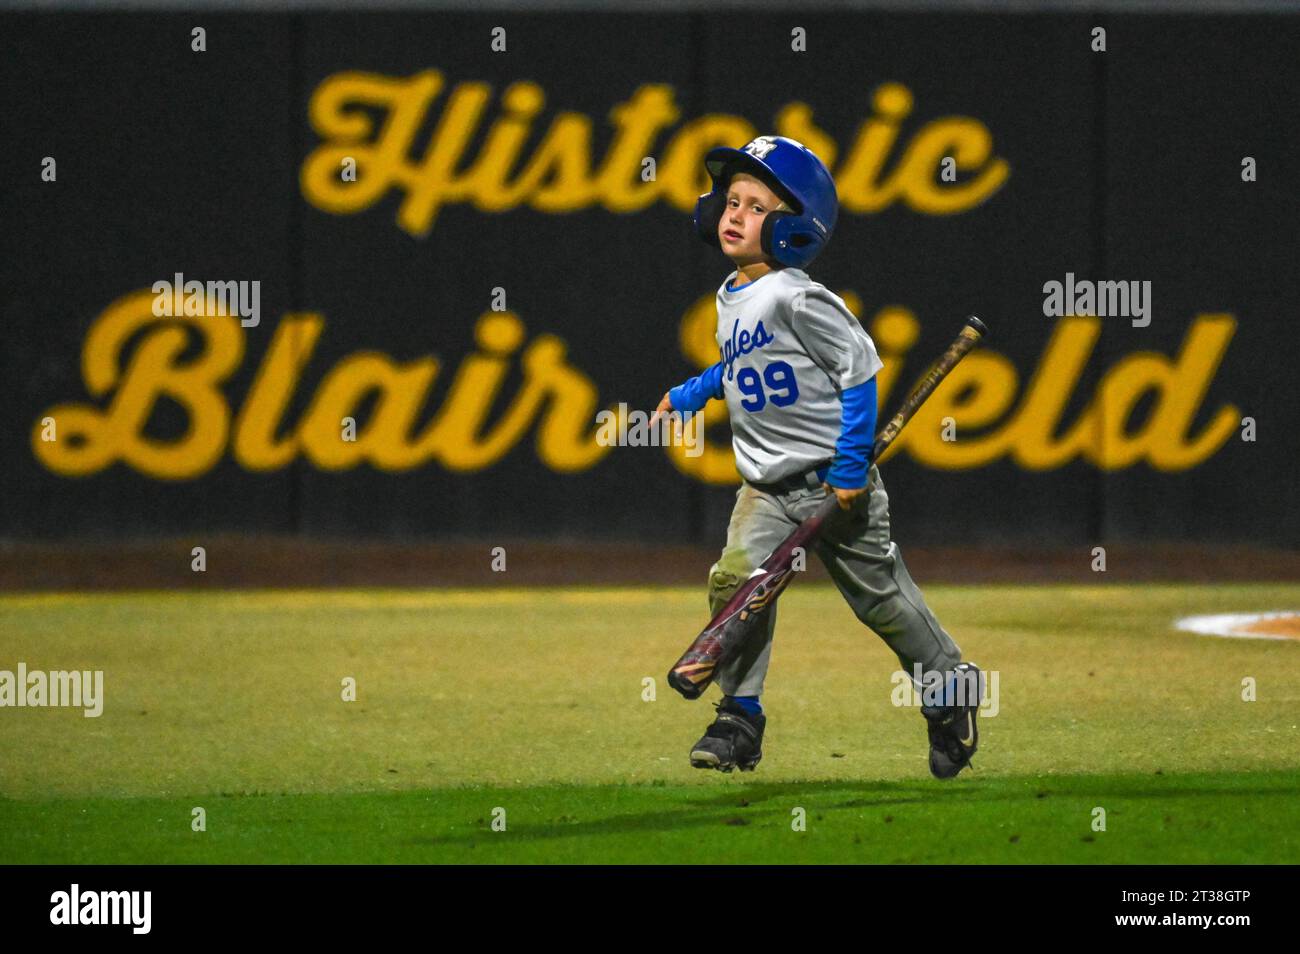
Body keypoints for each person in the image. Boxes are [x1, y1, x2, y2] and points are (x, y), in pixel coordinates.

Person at [653, 136, 982, 779]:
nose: (734, 212)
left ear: (794, 227)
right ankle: (739, 718)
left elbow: (859, 370)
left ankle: (951, 690)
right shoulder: (732, 294)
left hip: (834, 480)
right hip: (767, 489)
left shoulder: (796, 295)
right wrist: (693, 392)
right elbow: (741, 367)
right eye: (732, 200)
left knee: (881, 600)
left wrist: (853, 463)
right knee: (738, 583)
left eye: (755, 205)